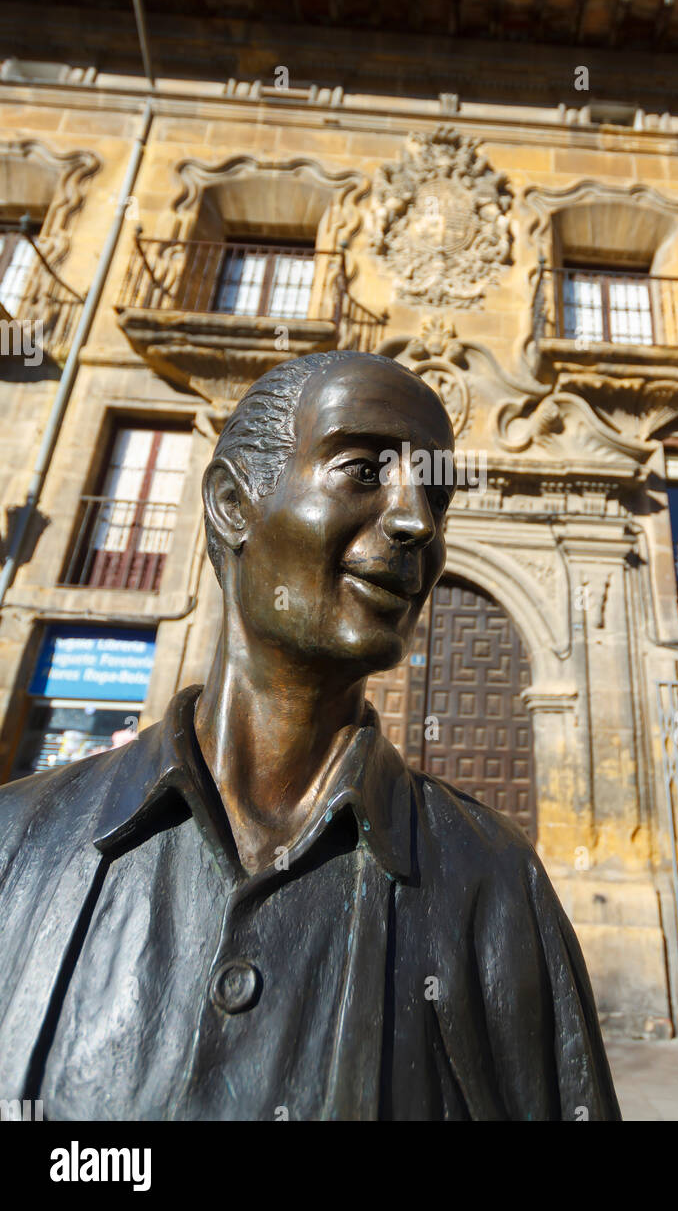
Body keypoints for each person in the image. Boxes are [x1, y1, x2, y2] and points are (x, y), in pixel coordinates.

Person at [0, 350, 620, 1121]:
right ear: (232, 504)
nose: (415, 521)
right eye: (362, 469)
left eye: (437, 497)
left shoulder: (499, 885)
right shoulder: (17, 844)